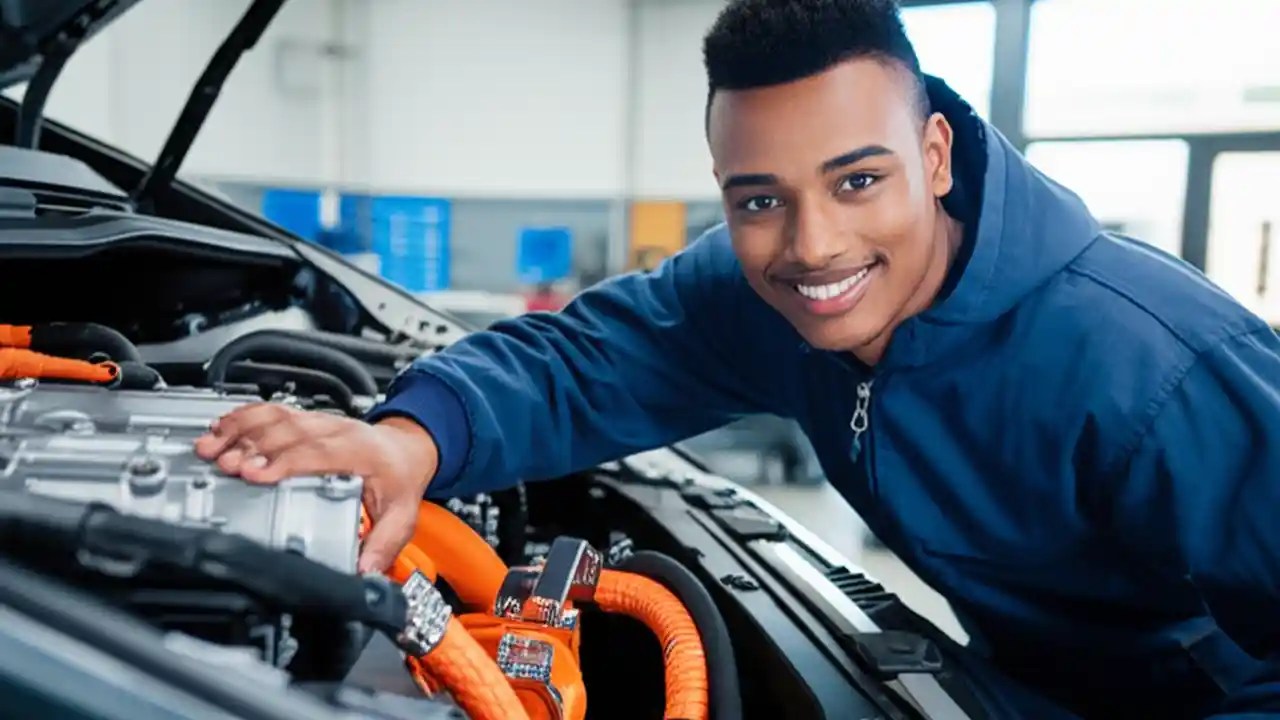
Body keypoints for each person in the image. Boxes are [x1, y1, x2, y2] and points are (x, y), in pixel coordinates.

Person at [195, 0, 1280, 716]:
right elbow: (586, 360)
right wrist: (407, 440)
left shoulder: (1154, 363)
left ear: (934, 155)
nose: (810, 248)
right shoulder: (760, 295)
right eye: (759, 200)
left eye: (858, 180)